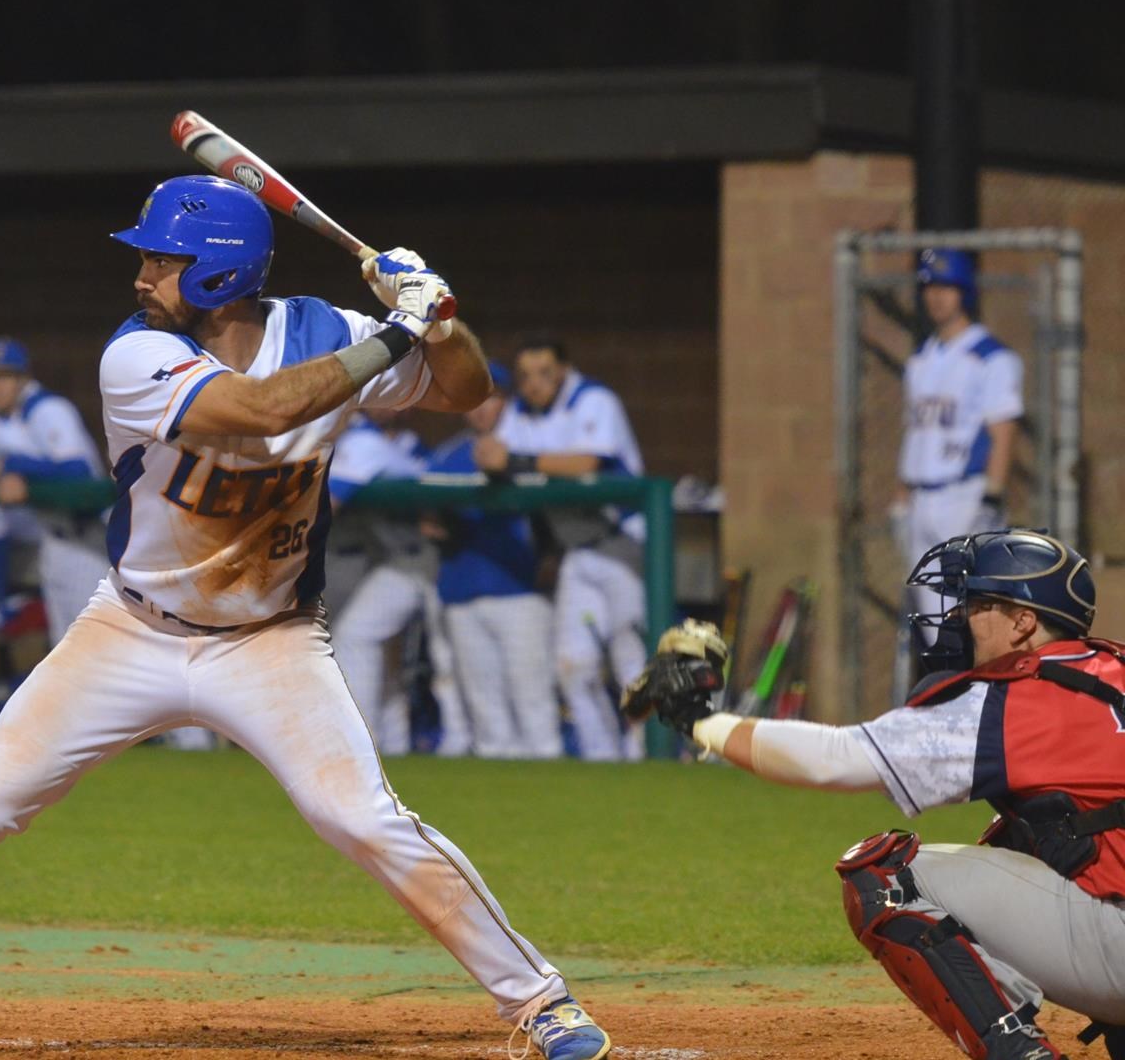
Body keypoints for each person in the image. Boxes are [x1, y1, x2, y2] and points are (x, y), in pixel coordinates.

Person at [0, 174, 612, 1060]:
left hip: (272, 641)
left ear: (220, 275)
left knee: (362, 818)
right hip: (131, 631)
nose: (142, 275)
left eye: (162, 259)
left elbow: (463, 390)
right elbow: (262, 411)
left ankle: (542, 1004)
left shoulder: (326, 331)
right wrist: (399, 330)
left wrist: (440, 316)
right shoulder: (135, 355)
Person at [625, 528, 1125, 1059]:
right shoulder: (1112, 669)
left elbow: (835, 761)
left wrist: (701, 721)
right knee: (1024, 837)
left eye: (977, 604)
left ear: (1024, 622)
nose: (960, 618)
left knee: (885, 876)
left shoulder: (1025, 696)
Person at [473, 337, 645, 761]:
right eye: (526, 376)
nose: (534, 384)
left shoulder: (593, 400)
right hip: (576, 550)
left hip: (621, 541)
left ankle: (646, 756)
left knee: (630, 659)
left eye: (545, 374)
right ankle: (600, 757)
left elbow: (587, 463)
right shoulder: (519, 412)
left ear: (564, 371)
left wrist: (517, 461)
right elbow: (492, 456)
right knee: (573, 663)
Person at [423, 383, 556, 759]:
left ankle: (555, 789)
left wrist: (551, 556)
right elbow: (425, 511)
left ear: (507, 403)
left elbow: (553, 520)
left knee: (533, 701)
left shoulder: (532, 447)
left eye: (492, 398)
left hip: (520, 589)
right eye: (473, 399)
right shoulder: (448, 455)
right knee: (486, 710)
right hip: (462, 587)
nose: (481, 408)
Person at [897, 250, 1023, 640]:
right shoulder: (920, 358)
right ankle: (944, 694)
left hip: (963, 495)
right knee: (933, 624)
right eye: (930, 287)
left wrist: (991, 496)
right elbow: (914, 432)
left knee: (970, 618)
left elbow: (1003, 430)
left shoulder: (991, 356)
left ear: (964, 291)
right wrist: (899, 498)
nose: (936, 296)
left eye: (946, 287)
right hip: (920, 497)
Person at [328, 407, 466, 756]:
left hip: (430, 558)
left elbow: (324, 505)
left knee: (445, 655)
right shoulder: (377, 440)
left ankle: (368, 745)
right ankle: (391, 743)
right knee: (377, 646)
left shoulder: (364, 441)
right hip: (405, 561)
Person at [0, 336, 108, 644]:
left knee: (95, 649)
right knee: (63, 651)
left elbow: (78, 471)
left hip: (90, 539)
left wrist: (18, 466)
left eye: (3, 376)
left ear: (23, 378)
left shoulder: (47, 409)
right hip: (50, 538)